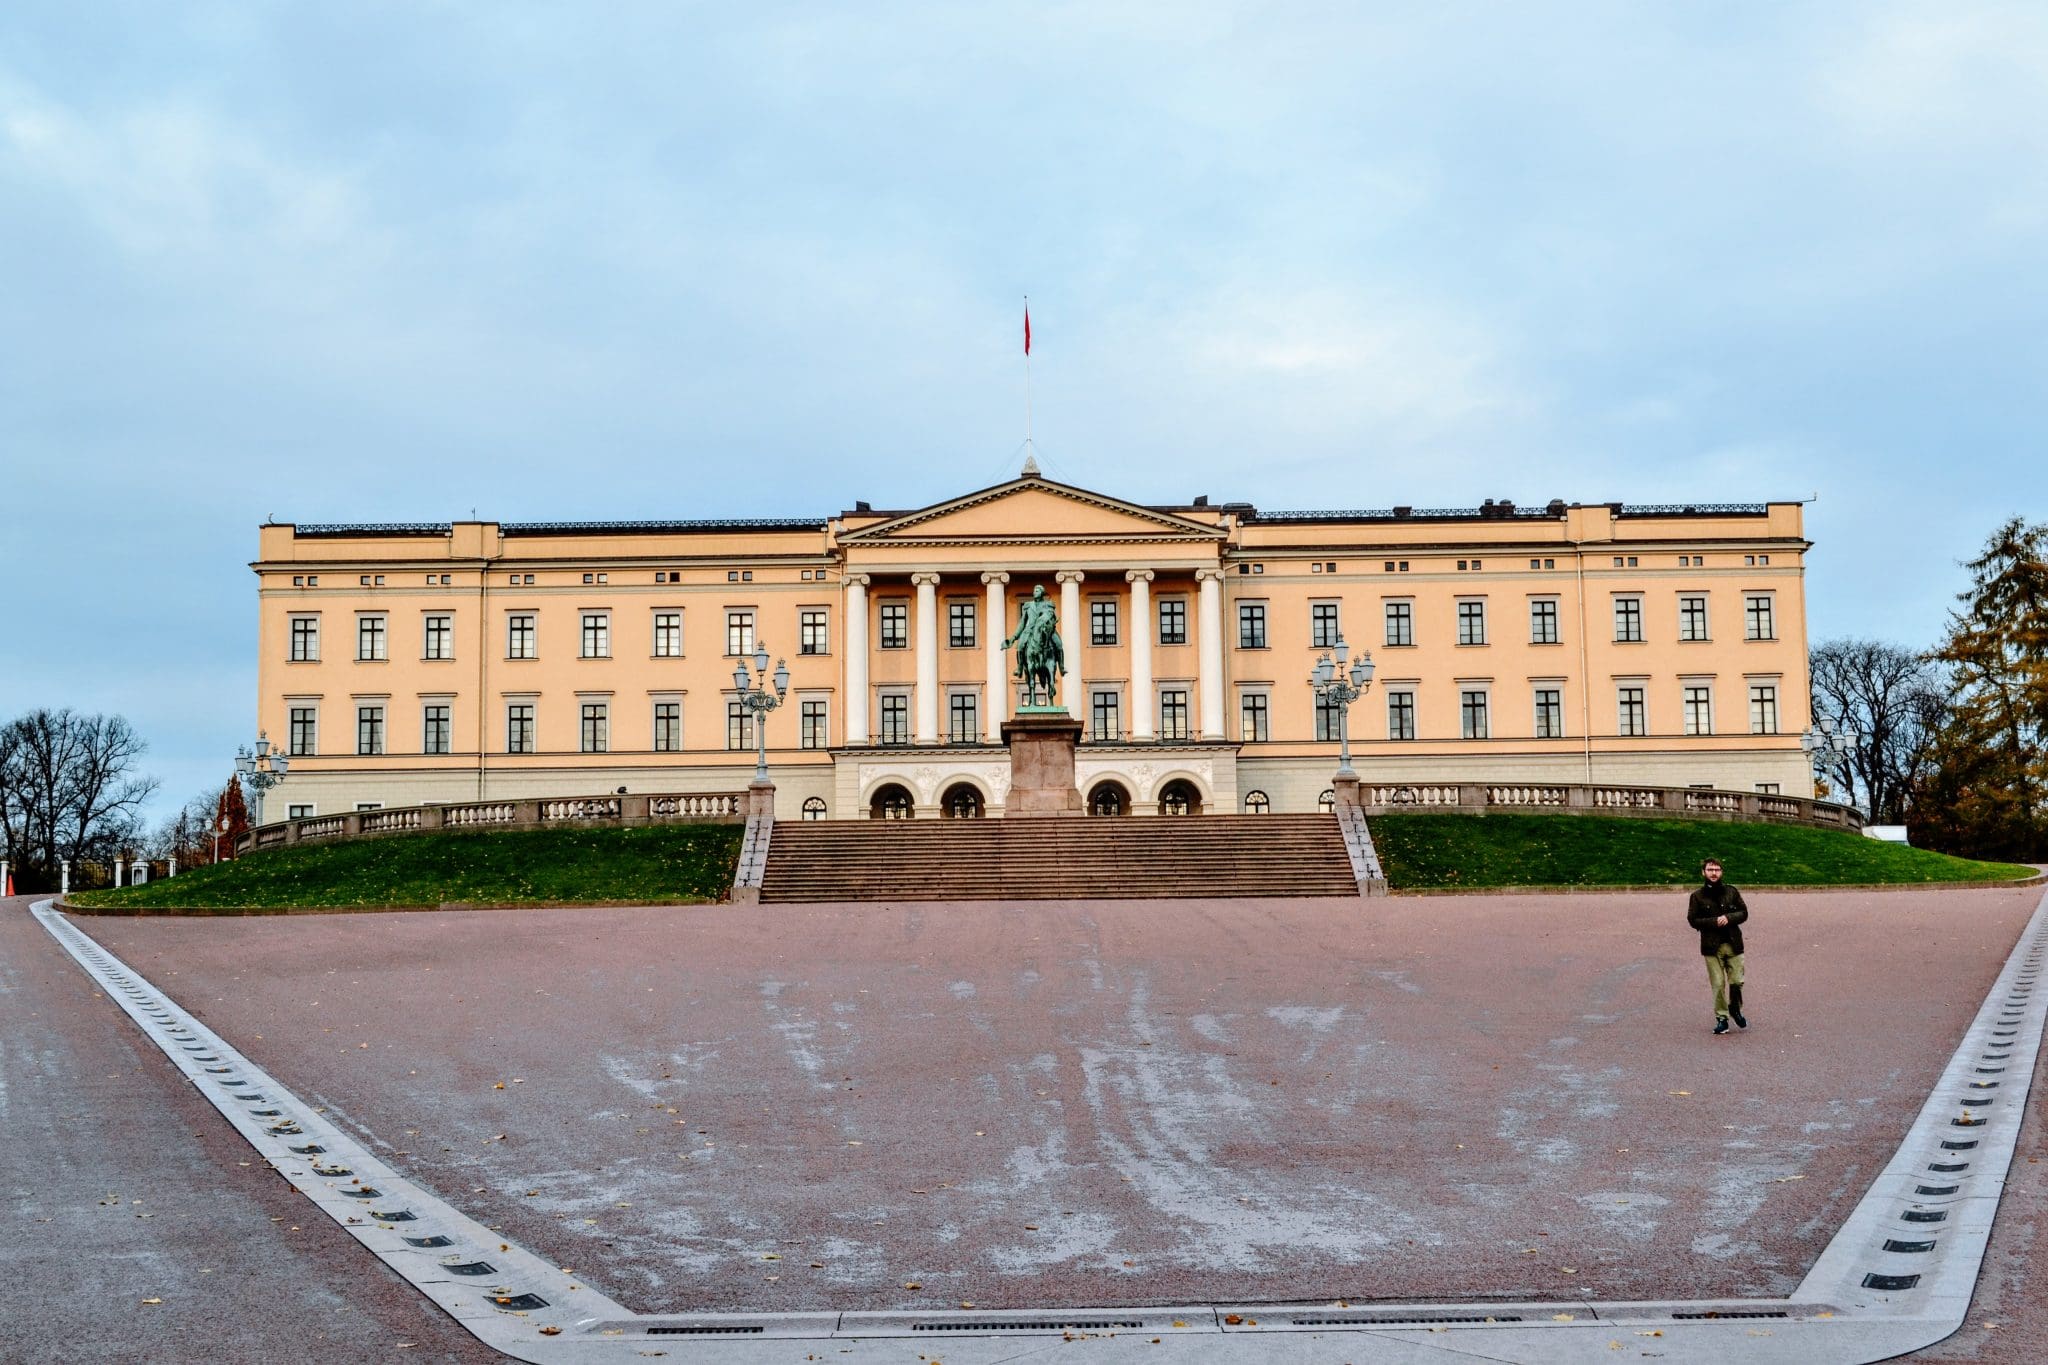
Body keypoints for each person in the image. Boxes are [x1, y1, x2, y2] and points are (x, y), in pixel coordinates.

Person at [1687, 857, 1749, 1035]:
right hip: (1711, 946)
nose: (1713, 873)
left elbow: (1744, 913)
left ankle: (1735, 1008)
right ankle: (1722, 1018)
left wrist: (1729, 918)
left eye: (1717, 870)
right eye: (1710, 870)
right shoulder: (1697, 896)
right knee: (1718, 984)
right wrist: (1714, 921)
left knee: (1737, 981)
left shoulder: (1731, 892)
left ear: (1721, 872)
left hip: (1734, 944)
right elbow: (1693, 920)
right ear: (1703, 872)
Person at [1001, 584, 1065, 707]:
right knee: (1020, 647)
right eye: (1034, 590)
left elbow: (1053, 618)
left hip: (1047, 630)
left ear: (1042, 592)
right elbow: (1022, 623)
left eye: (1037, 590)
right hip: (1029, 631)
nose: (1034, 592)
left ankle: (1061, 666)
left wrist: (1048, 621)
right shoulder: (1028, 606)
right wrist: (1013, 638)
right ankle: (1019, 668)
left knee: (1059, 644)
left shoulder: (1048, 605)